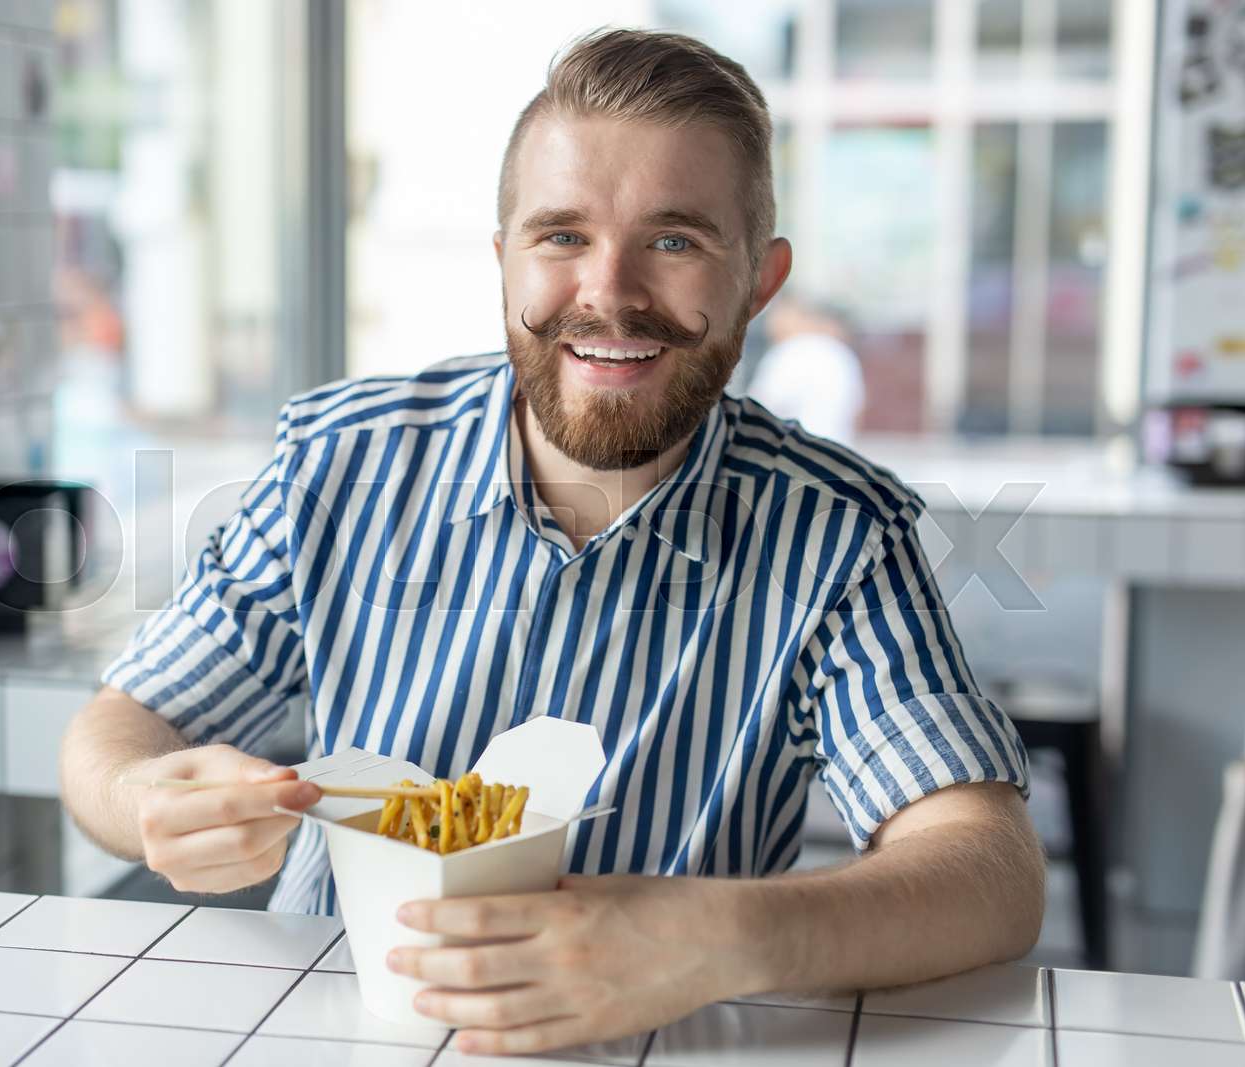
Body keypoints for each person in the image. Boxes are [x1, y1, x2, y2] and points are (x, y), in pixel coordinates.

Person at [60, 28, 1043, 1056]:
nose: (606, 291)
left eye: (674, 241)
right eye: (561, 236)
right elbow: (120, 726)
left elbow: (990, 871)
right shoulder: (340, 462)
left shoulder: (839, 532)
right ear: (503, 260)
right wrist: (142, 801)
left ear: (758, 279)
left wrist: (726, 934)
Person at [744, 292, 866, 444]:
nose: (771, 324)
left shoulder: (789, 352)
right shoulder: (841, 353)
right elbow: (857, 412)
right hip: (837, 454)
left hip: (793, 457)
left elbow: (757, 410)